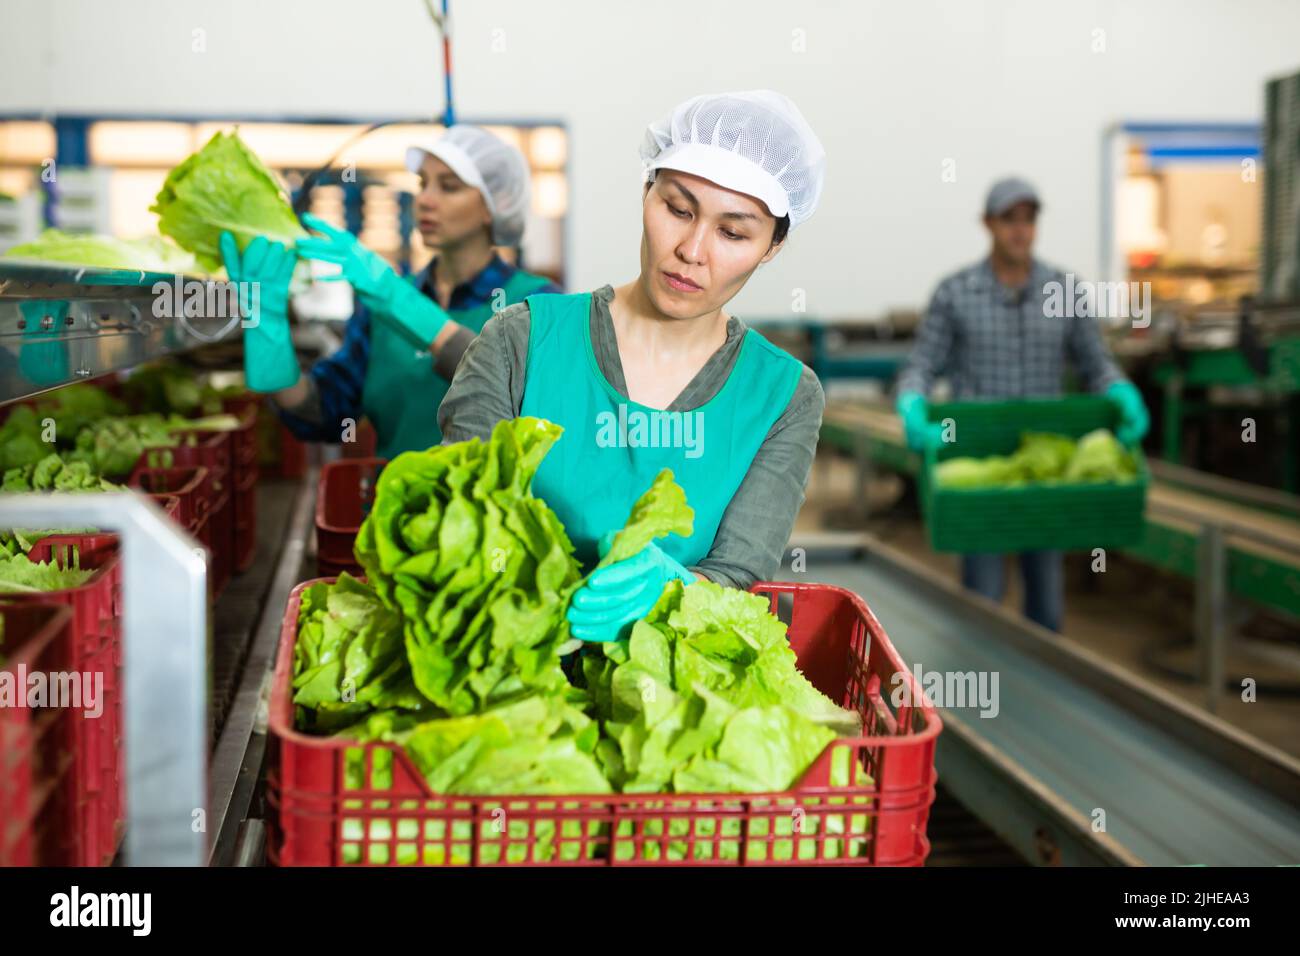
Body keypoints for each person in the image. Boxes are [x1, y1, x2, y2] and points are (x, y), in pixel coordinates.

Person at [438, 90, 828, 643]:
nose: (692, 250)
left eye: (733, 233)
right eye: (678, 209)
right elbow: (461, 525)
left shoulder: (784, 395)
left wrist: (677, 590)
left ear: (771, 247)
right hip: (504, 652)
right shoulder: (520, 340)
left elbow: (736, 573)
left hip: (665, 674)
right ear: (646, 192)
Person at [894, 176, 1149, 632]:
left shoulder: (1064, 290)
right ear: (987, 223)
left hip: (1044, 469)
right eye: (1008, 218)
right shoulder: (955, 293)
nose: (1020, 229)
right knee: (983, 601)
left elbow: (1096, 365)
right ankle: (978, 677)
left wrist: (1119, 391)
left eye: (1028, 218)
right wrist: (912, 403)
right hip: (980, 470)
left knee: (1046, 605)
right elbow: (922, 366)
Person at [223, 125, 561, 458]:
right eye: (423, 183)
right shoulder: (379, 307)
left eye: (449, 187)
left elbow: (530, 399)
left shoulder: (540, 305)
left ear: (495, 204)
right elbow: (323, 412)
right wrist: (267, 324)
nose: (425, 200)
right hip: (395, 494)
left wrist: (398, 301)